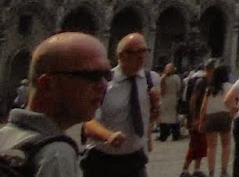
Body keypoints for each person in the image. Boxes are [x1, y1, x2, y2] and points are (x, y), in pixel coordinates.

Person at [0, 32, 111, 177]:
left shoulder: (4, 135)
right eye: (92, 76)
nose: (104, 85)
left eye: (107, 76)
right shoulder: (56, 153)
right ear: (47, 85)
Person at [81, 32, 156, 177]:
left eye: (144, 51)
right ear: (122, 56)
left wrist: (155, 108)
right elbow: (88, 123)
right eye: (136, 52)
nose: (142, 56)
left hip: (135, 160)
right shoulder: (104, 83)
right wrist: (108, 136)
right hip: (103, 161)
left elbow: (148, 116)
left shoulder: (150, 79)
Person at [197, 63, 232, 177]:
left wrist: (201, 121)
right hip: (224, 115)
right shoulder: (229, 86)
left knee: (211, 146)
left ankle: (211, 171)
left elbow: (203, 107)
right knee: (225, 144)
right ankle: (224, 170)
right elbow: (232, 102)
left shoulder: (209, 88)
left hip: (211, 116)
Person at [155, 64, 182, 143]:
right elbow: (178, 88)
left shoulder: (162, 78)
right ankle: (175, 134)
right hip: (173, 98)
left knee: (162, 118)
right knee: (173, 117)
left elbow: (159, 89)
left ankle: (163, 134)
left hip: (163, 99)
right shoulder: (176, 78)